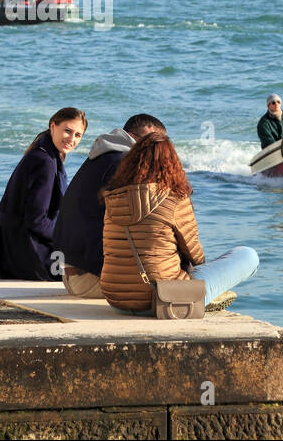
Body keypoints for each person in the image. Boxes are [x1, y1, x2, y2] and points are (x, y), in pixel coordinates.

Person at [101, 131, 259, 312]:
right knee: (248, 255)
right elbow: (195, 256)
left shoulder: (112, 199)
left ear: (130, 163)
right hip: (162, 299)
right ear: (172, 164)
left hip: (116, 298)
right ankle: (204, 297)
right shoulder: (174, 199)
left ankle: (203, 296)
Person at [51, 113, 165, 298]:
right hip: (92, 280)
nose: (155, 151)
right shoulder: (125, 165)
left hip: (73, 275)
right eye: (152, 144)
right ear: (132, 137)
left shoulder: (100, 157)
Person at [0, 107, 86, 281]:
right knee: (88, 274)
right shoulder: (45, 162)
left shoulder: (43, 153)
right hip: (25, 254)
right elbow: (36, 220)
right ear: (53, 126)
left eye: (78, 135)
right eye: (67, 131)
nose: (72, 139)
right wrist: (68, 240)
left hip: (8, 250)